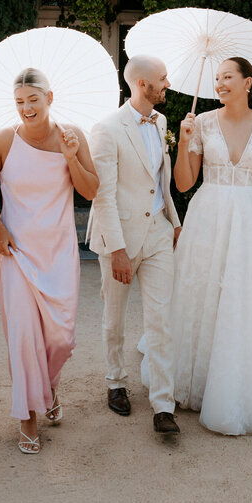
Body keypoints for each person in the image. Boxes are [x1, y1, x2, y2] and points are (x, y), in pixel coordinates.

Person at [169, 57, 252, 436]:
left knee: (244, 299)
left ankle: (238, 386)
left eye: (226, 77)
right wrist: (184, 142)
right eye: (216, 78)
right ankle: (198, 384)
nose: (219, 84)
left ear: (247, 82)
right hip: (208, 215)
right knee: (201, 294)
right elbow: (185, 184)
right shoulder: (201, 122)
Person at [0, 68, 99, 454]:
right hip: (16, 250)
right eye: (19, 102)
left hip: (59, 250)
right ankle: (28, 415)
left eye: (33, 99)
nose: (26, 108)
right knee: (23, 335)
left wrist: (71, 157)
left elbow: (91, 190)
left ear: (50, 97)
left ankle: (47, 387)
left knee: (61, 337)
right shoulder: (2, 141)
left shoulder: (72, 136)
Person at [87, 55, 182, 435]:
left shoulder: (161, 122)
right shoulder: (107, 129)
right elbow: (102, 195)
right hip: (120, 236)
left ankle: (163, 404)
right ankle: (115, 381)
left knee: (161, 319)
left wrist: (173, 222)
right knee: (115, 316)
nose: (167, 84)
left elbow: (161, 180)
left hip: (158, 231)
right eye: (162, 79)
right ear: (142, 84)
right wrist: (117, 249)